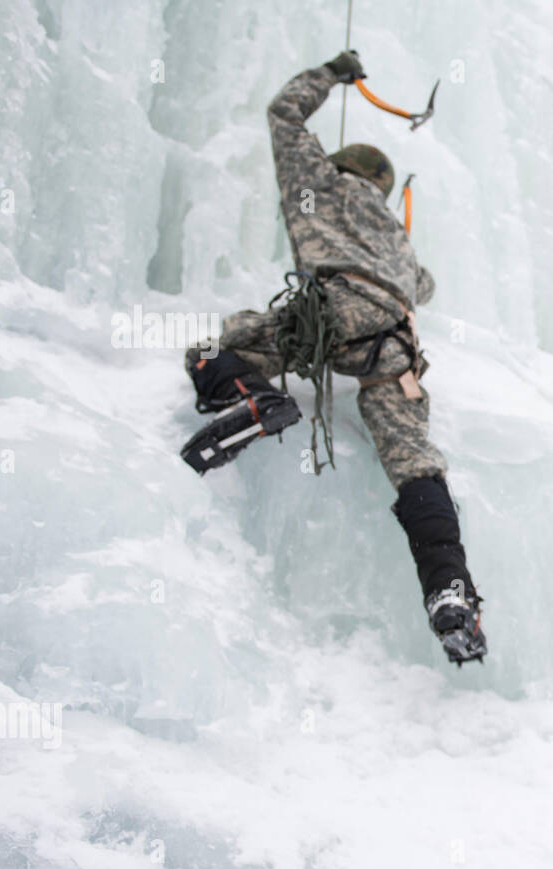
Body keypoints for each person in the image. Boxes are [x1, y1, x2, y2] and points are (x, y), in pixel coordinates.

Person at [180, 51, 486, 666]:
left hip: (332, 313)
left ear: (342, 168)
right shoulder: (396, 236)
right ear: (382, 185)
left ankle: (260, 398)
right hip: (396, 346)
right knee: (413, 462)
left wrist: (332, 73)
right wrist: (394, 247)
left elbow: (284, 115)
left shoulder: (318, 184)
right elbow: (423, 286)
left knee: (214, 348)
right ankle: (448, 593)